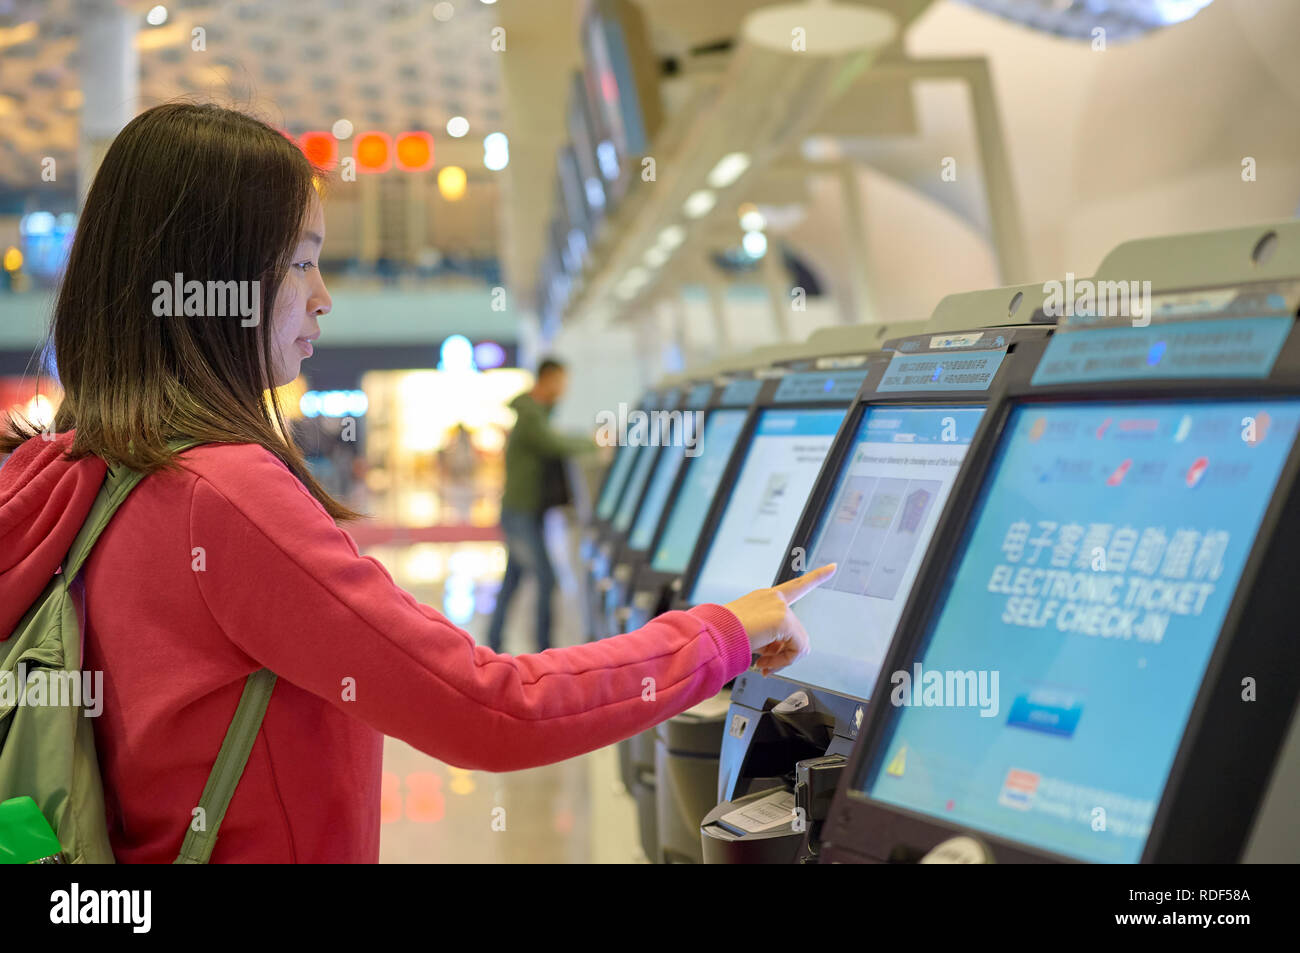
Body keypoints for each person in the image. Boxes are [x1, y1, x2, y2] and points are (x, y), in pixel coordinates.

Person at [0, 103, 834, 864]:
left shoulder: (76, 468)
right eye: (300, 263)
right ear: (211, 285)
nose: (324, 298)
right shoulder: (221, 497)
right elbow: (492, 710)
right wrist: (720, 633)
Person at [485, 359, 589, 653]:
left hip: (526, 511)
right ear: (547, 380)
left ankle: (495, 642)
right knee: (546, 577)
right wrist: (595, 442)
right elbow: (554, 444)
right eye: (560, 382)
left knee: (513, 581)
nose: (564, 389)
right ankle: (545, 648)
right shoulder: (532, 417)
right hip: (521, 512)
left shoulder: (537, 414)